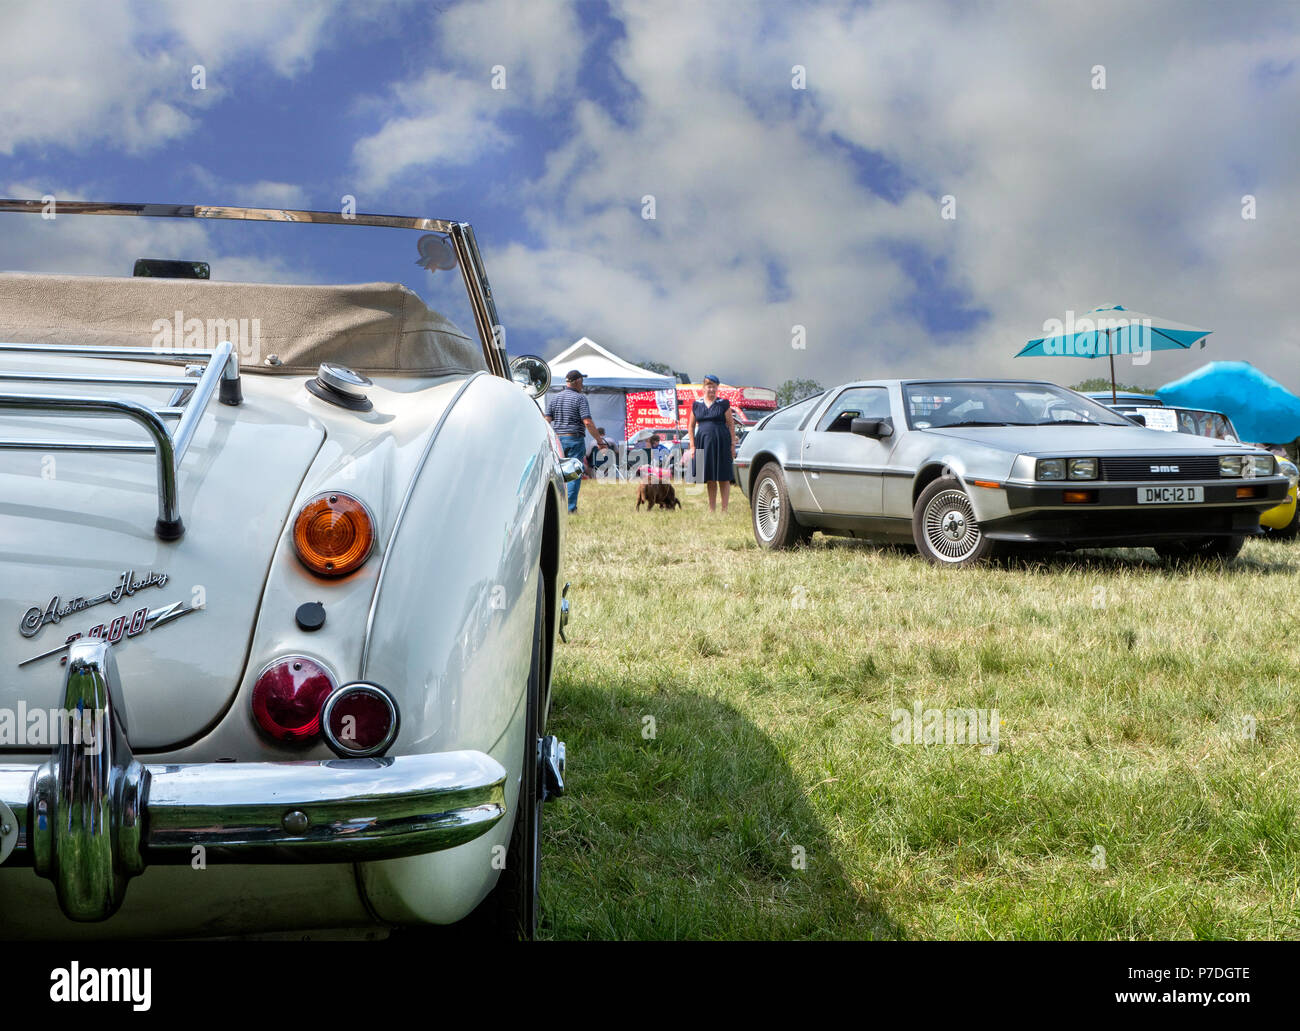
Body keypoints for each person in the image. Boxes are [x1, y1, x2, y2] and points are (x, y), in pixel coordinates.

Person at [545, 370, 612, 513]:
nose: (583, 384)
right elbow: (587, 422)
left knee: (557, 474)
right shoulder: (580, 398)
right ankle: (569, 508)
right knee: (573, 473)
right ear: (577, 381)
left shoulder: (555, 398)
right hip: (574, 439)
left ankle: (556, 508)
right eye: (582, 381)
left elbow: (546, 420)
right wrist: (600, 441)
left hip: (557, 440)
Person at [687, 374, 738, 512]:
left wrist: (733, 445)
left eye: (714, 387)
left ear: (717, 388)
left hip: (722, 443)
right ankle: (712, 509)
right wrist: (692, 446)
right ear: (704, 388)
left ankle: (725, 509)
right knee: (710, 477)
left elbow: (731, 425)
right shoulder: (696, 404)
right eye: (709, 387)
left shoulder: (723, 403)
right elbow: (690, 426)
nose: (711, 390)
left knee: (723, 476)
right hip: (704, 443)